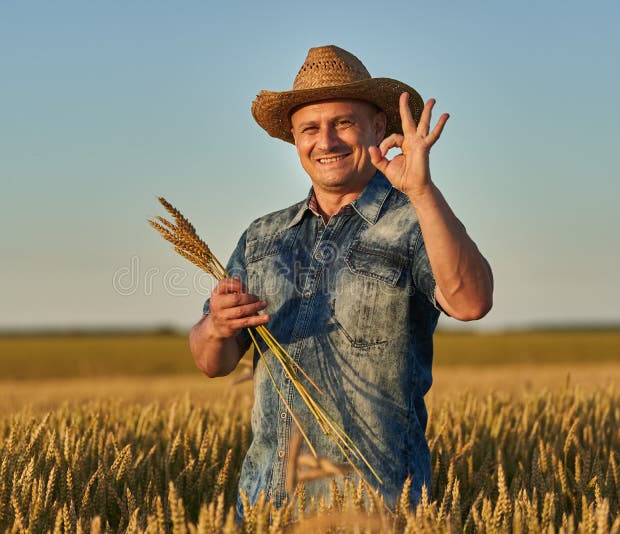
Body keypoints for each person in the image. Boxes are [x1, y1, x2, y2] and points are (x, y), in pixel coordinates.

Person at [189, 45, 493, 517]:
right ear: (295, 140)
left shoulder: (415, 222)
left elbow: (471, 302)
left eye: (343, 123)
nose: (325, 141)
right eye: (310, 128)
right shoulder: (262, 237)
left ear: (377, 128)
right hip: (270, 505)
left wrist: (422, 191)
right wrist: (216, 329)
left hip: (380, 508)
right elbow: (214, 362)